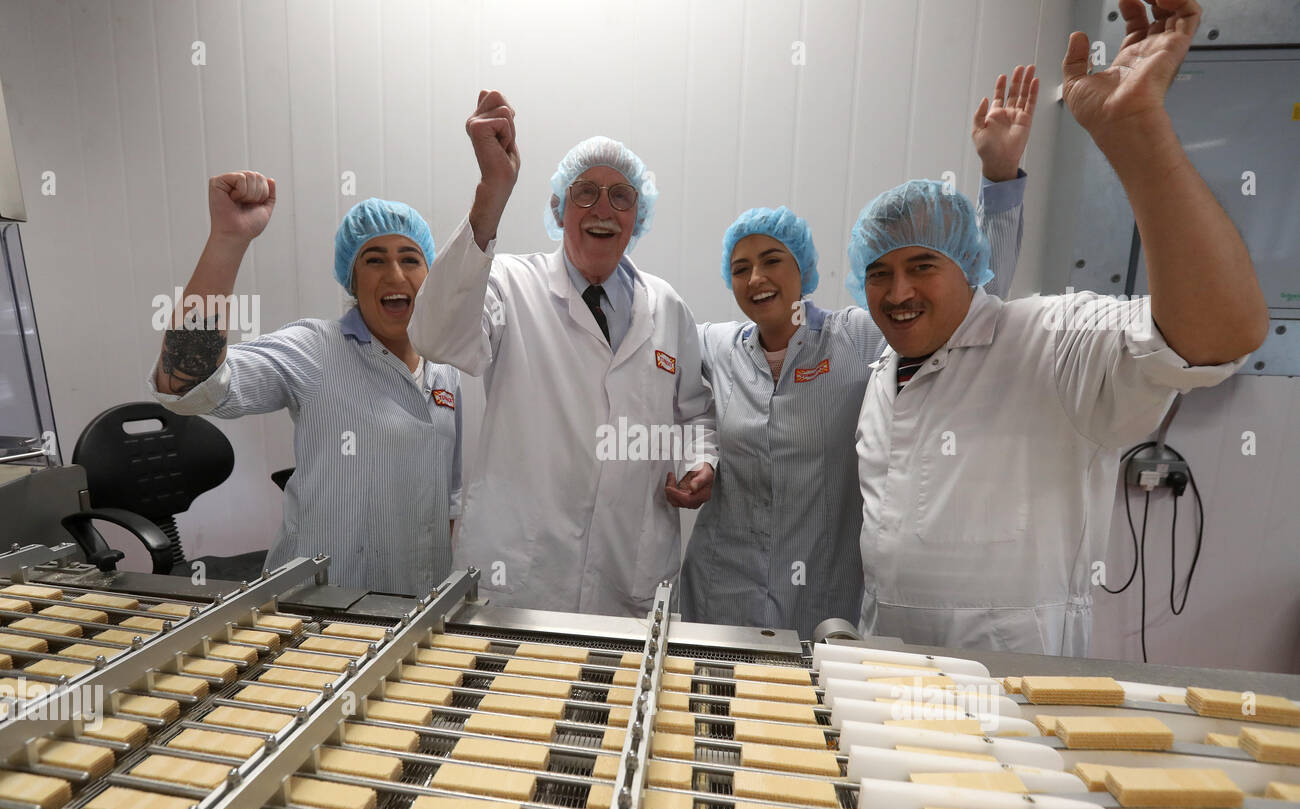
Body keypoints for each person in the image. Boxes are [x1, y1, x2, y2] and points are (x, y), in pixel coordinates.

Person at [850, 0, 1267, 657]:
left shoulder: (1048, 340)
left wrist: (1140, 137)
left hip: (1011, 699)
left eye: (922, 265)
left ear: (970, 264)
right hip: (885, 678)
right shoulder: (884, 374)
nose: (898, 292)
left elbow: (1219, 335)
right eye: (879, 273)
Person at [680, 67, 1038, 638]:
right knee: (718, 720)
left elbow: (973, 301)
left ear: (804, 271)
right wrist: (698, 460)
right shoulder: (714, 346)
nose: (756, 277)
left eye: (772, 260)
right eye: (740, 267)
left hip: (825, 591)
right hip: (723, 587)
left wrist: (1000, 181)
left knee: (813, 721)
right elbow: (687, 408)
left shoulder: (857, 337)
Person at [408, 93, 717, 616]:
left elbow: (695, 412)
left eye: (621, 196)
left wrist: (700, 461)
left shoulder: (666, 307)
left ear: (638, 214)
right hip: (525, 582)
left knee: (622, 699)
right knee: (510, 699)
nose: (603, 209)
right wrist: (493, 192)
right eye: (586, 193)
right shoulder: (508, 283)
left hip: (629, 581)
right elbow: (435, 336)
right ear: (559, 207)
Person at [150, 172, 462, 595]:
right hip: (322, 604)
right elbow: (188, 382)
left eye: (410, 258)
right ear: (351, 280)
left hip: (417, 600)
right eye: (373, 259)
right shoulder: (315, 350)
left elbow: (447, 499)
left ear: (429, 273)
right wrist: (229, 239)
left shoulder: (445, 369)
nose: (395, 273)